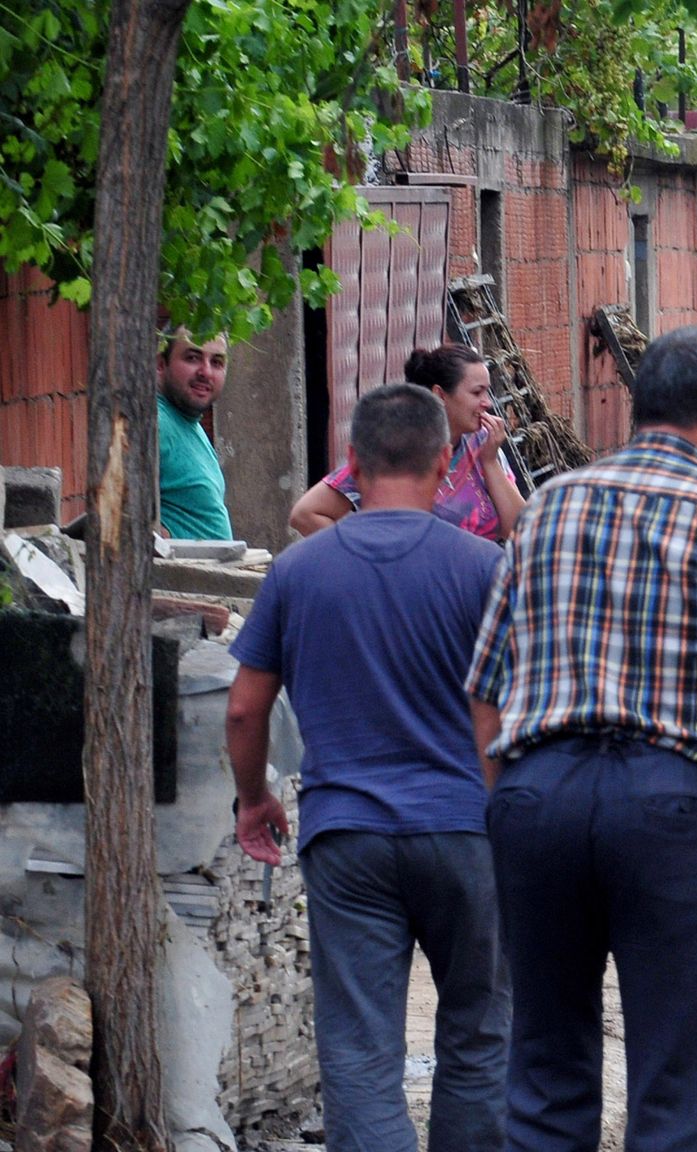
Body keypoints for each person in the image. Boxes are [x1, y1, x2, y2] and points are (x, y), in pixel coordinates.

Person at [466, 324, 697, 1151]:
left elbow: (487, 690)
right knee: (673, 1091)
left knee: (544, 1076)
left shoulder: (548, 509)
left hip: (538, 798)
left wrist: (511, 808)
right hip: (673, 812)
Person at [224, 383, 511, 1152]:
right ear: (445, 460)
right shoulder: (485, 568)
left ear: (351, 462)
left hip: (347, 837)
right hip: (468, 832)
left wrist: (253, 799)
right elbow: (520, 707)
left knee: (359, 1048)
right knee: (481, 1035)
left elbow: (245, 708)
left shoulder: (299, 570)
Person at [290, 345, 527, 541]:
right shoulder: (397, 450)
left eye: (487, 392)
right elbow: (305, 514)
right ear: (440, 394)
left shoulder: (483, 443)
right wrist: (369, 560)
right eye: (477, 393)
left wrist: (490, 462)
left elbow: (520, 531)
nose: (487, 403)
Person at [157, 328, 234, 540]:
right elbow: (125, 523)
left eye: (217, 362)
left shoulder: (187, 423)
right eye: (192, 358)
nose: (206, 372)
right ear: (161, 364)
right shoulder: (152, 425)